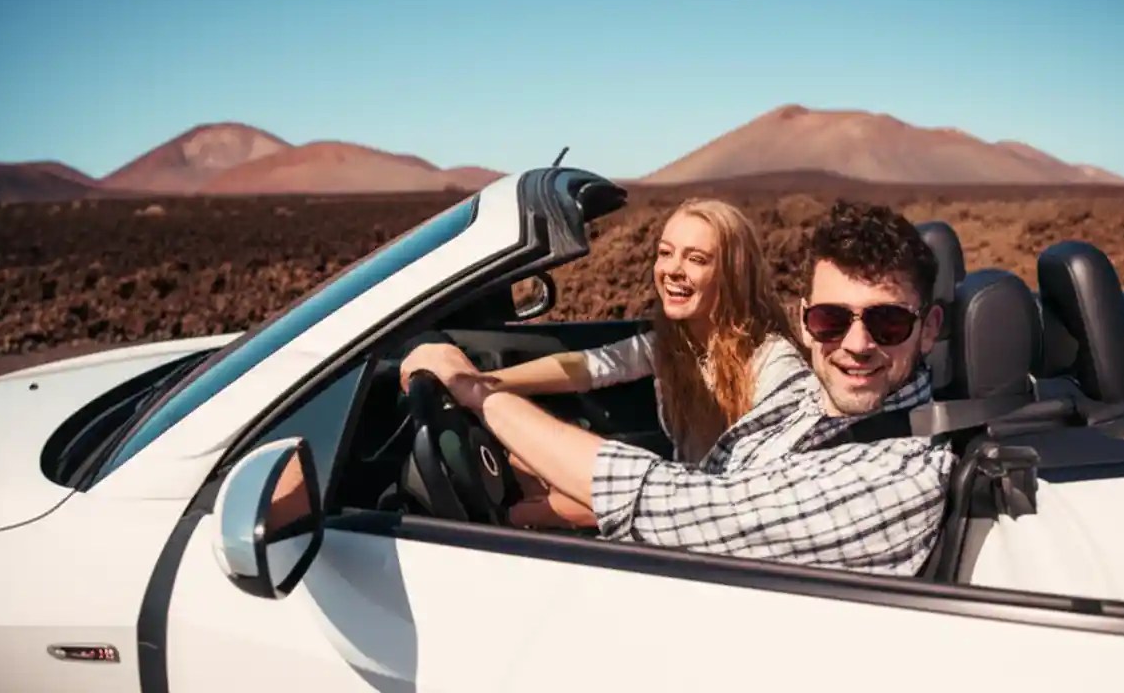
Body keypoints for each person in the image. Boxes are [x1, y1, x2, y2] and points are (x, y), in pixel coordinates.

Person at [399, 200, 954, 575]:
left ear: (929, 329)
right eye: (832, 321)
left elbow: (685, 503)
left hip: (690, 546)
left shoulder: (889, 476)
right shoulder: (807, 396)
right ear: (807, 318)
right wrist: (488, 380)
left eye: (888, 324)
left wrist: (477, 395)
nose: (856, 345)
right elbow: (597, 366)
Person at [481, 197, 812, 467]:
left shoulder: (773, 363)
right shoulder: (676, 345)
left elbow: (766, 485)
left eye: (696, 259)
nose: (672, 270)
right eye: (665, 253)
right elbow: (591, 367)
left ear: (735, 275)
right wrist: (487, 383)